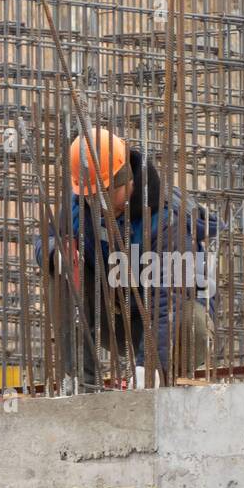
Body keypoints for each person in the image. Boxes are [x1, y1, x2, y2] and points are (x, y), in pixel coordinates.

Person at [37, 128, 222, 389]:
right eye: (90, 196)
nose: (97, 204)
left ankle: (165, 379)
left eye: (104, 195)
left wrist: (150, 364)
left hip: (172, 320)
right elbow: (46, 237)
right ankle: (82, 383)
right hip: (119, 315)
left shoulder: (167, 219)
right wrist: (57, 250)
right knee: (60, 268)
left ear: (126, 179)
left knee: (193, 322)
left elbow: (168, 299)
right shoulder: (80, 205)